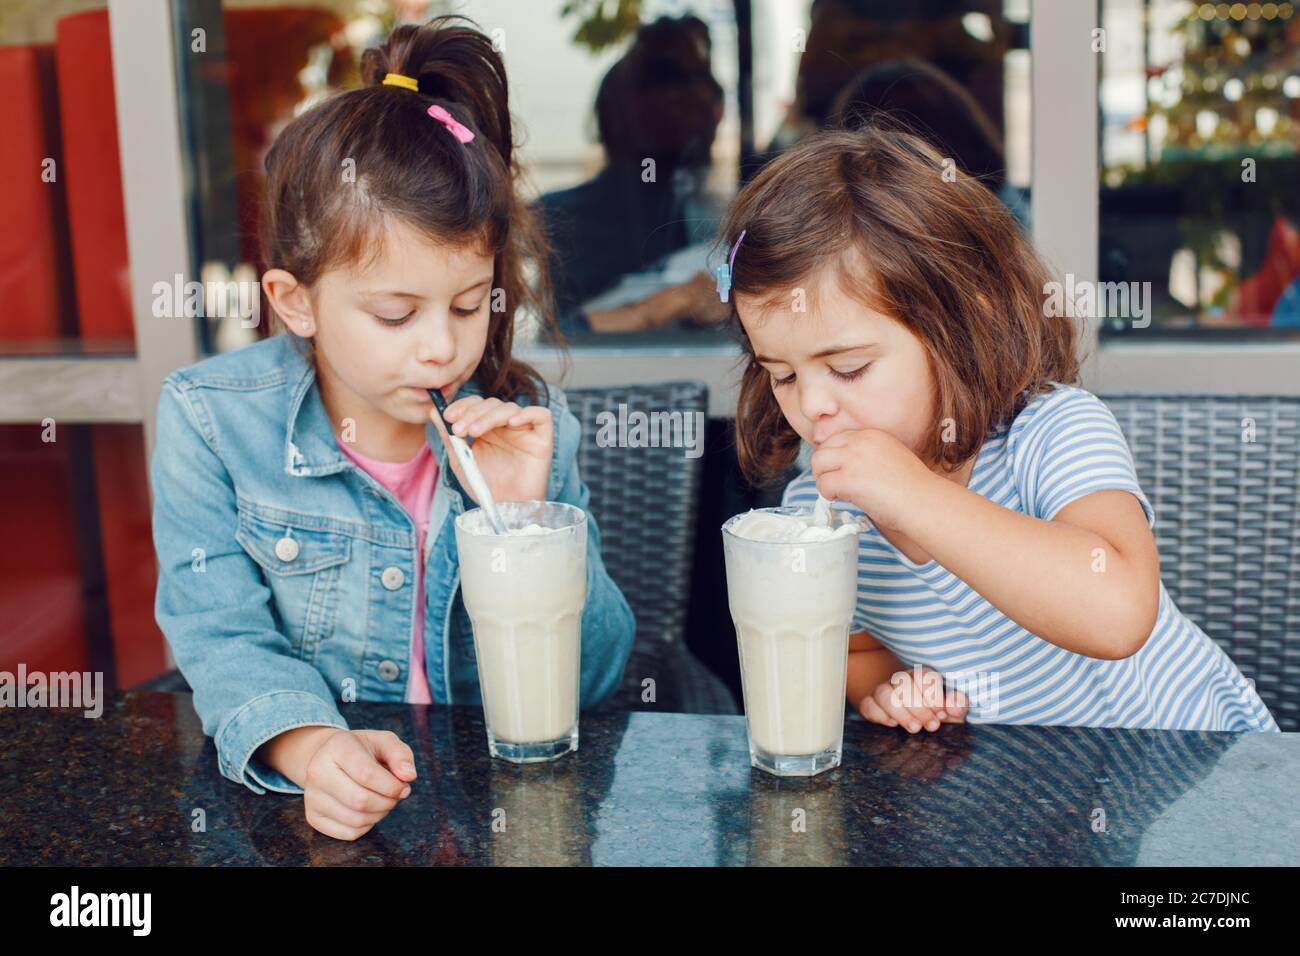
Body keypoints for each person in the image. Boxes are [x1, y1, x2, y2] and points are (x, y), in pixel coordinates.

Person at [149, 16, 636, 841]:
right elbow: (217, 630)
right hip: (317, 811)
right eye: (395, 313)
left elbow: (593, 678)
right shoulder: (210, 419)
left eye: (464, 303)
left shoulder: (526, 431)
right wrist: (311, 749)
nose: (441, 346)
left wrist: (520, 524)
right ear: (294, 300)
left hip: (496, 821)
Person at [717, 123, 1278, 735]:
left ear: (960, 327)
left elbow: (1118, 612)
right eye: (784, 375)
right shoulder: (826, 515)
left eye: (848, 368)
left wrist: (916, 495)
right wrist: (890, 689)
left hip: (1196, 771)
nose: (813, 406)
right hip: (1039, 803)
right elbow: (856, 649)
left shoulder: (1052, 434)